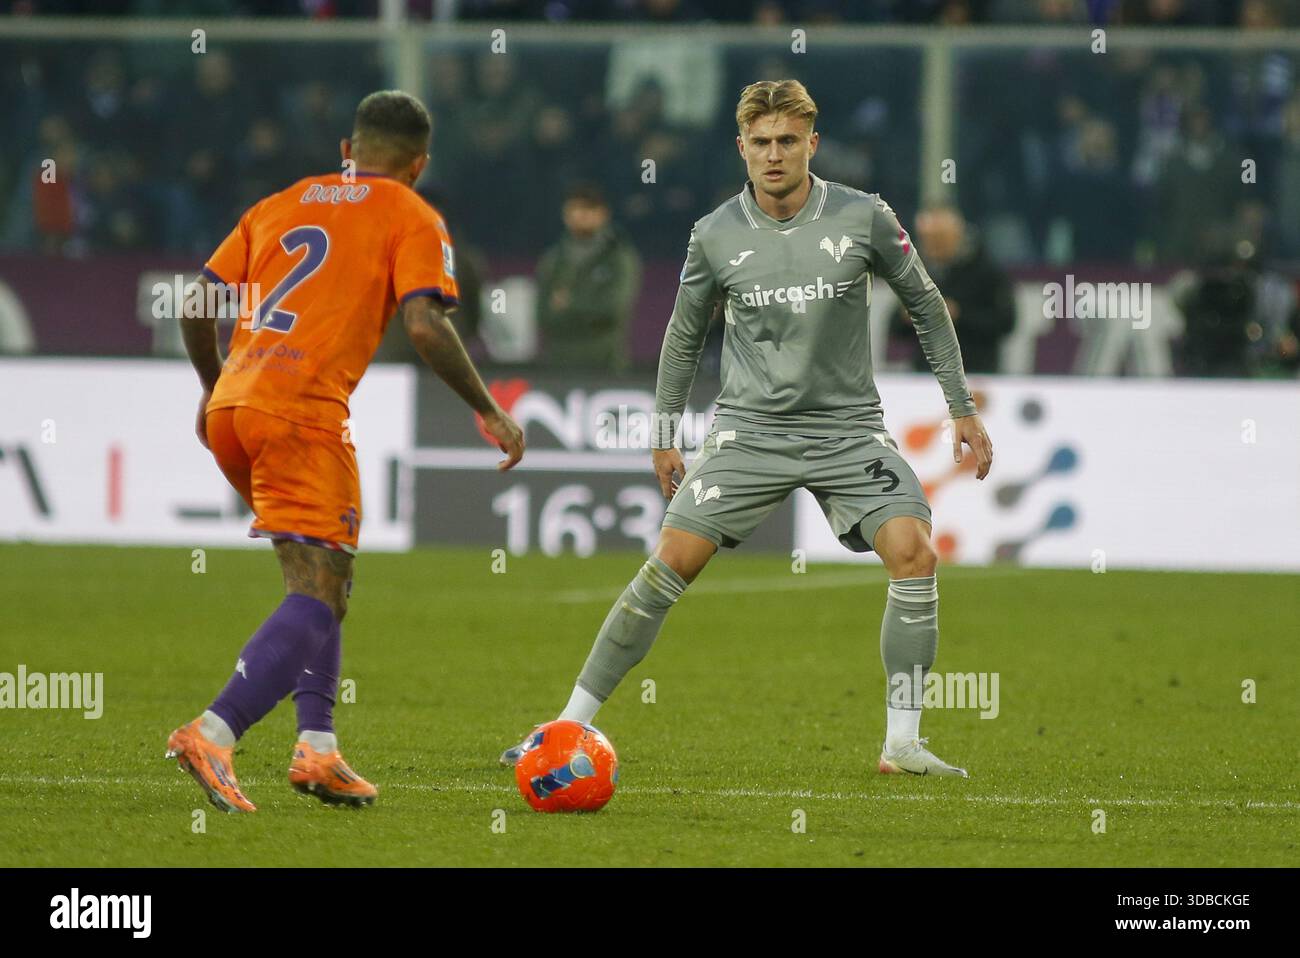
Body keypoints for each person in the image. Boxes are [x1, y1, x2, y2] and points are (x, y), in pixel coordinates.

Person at [502, 79, 993, 778]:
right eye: (760, 143)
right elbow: (680, 339)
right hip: (749, 431)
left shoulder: (864, 218)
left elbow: (928, 306)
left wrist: (961, 407)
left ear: (811, 144)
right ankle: (562, 727)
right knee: (672, 561)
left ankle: (902, 744)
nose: (773, 155)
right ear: (741, 148)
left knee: (914, 555)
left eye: (787, 141)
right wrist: (664, 433)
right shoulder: (715, 234)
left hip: (848, 430)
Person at [170, 90, 525, 813]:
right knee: (319, 591)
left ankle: (318, 750)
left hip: (239, 407)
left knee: (322, 580)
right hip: (301, 414)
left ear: (347, 148)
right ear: (419, 165)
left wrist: (214, 389)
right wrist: (488, 407)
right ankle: (213, 730)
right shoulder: (411, 214)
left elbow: (196, 302)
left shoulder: (282, 201)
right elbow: (425, 324)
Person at [891, 205, 1015, 374]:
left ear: (958, 235)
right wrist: (908, 315)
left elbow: (1006, 322)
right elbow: (894, 328)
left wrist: (959, 315)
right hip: (926, 376)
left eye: (939, 238)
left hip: (977, 373)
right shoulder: (917, 271)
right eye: (927, 239)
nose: (932, 245)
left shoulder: (987, 271)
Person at [535, 183, 642, 372]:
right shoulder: (553, 259)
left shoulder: (618, 258)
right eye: (574, 209)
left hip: (605, 365)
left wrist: (569, 305)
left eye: (587, 208)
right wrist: (589, 309)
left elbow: (612, 309)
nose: (579, 215)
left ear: (603, 213)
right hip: (557, 366)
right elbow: (544, 316)